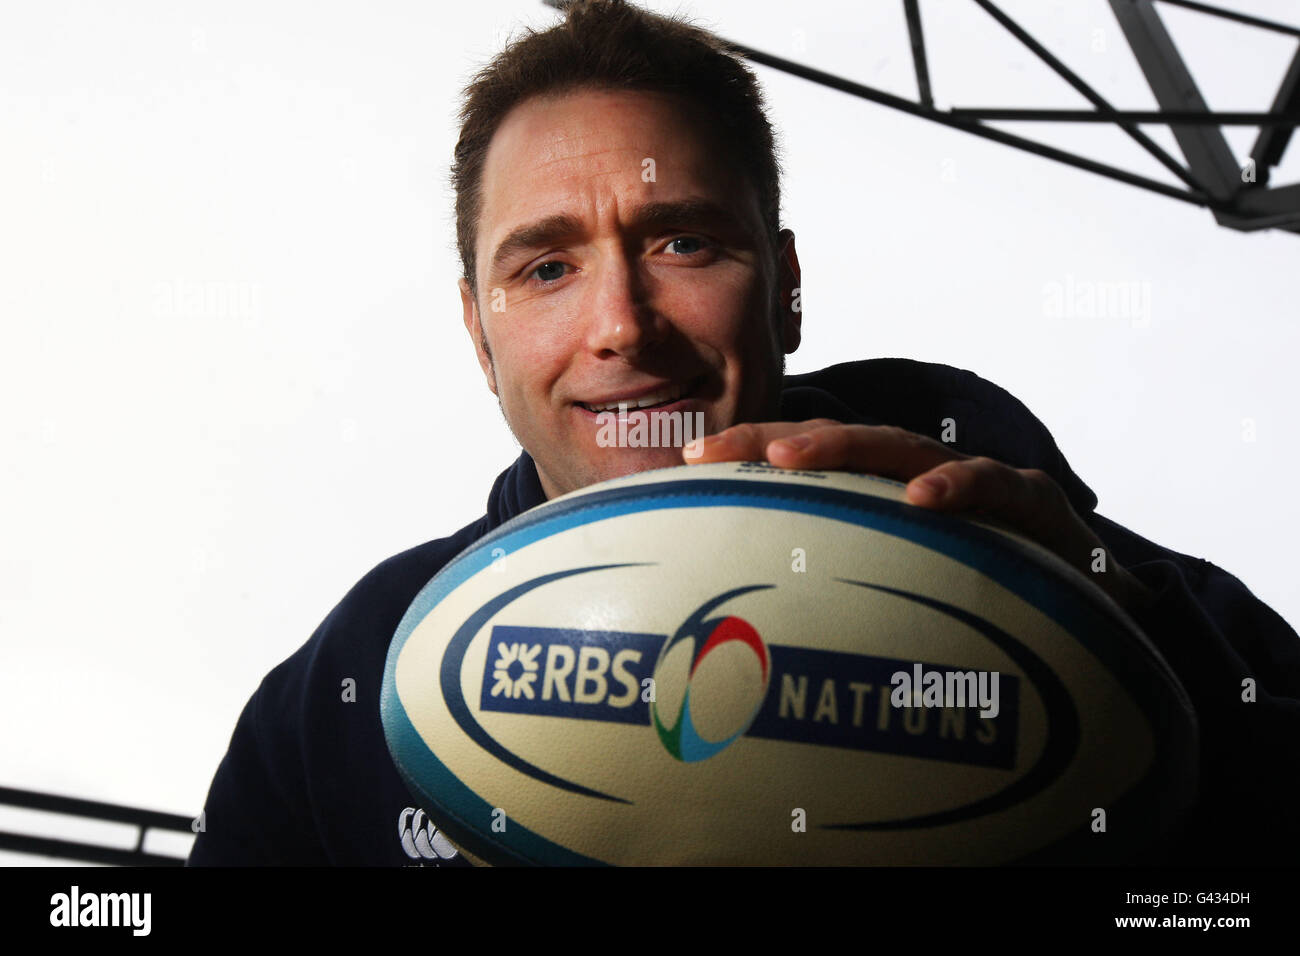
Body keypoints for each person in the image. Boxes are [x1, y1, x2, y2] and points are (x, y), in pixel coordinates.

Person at [188, 0, 1300, 866]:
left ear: (786, 291)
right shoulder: (347, 690)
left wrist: (1146, 661)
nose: (619, 325)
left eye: (681, 243)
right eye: (546, 267)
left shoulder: (1052, 554)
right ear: (481, 336)